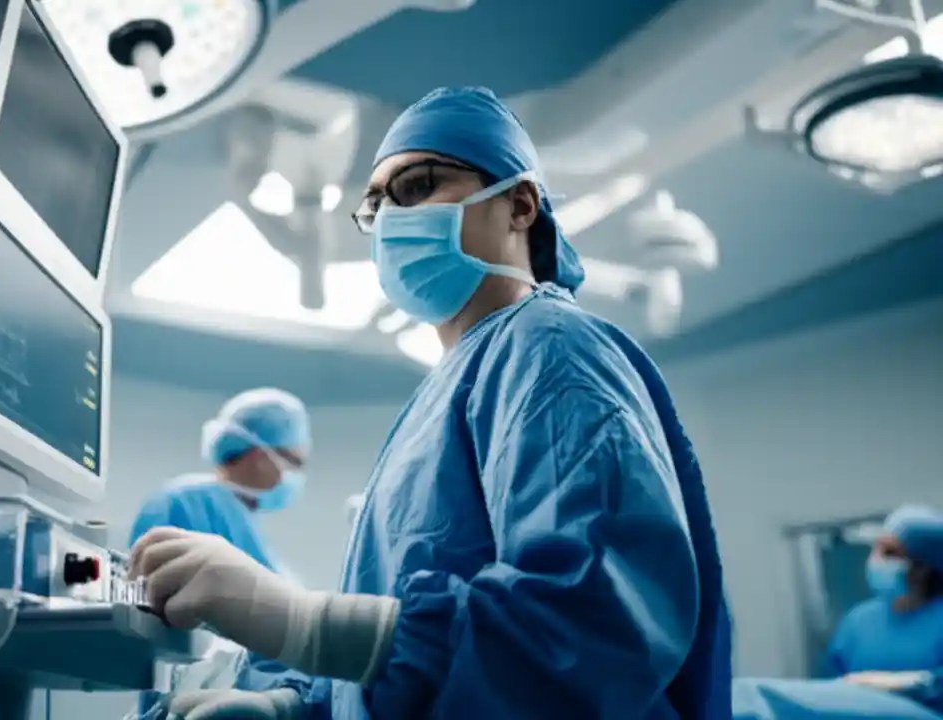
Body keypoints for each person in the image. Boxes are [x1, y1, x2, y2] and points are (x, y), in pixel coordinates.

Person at [131, 86, 732, 719]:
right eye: (374, 203)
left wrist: (306, 624)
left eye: (416, 186)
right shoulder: (441, 397)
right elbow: (403, 671)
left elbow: (591, 625)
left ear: (520, 204)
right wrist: (295, 707)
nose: (389, 215)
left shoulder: (551, 348)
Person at [128, 388, 310, 718]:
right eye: (294, 461)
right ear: (259, 455)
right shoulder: (184, 502)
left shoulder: (242, 522)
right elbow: (157, 626)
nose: (297, 475)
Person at [825, 505, 943, 699]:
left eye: (889, 553)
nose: (876, 560)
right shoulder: (858, 622)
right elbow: (829, 690)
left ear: (922, 566)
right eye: (876, 549)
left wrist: (912, 684)